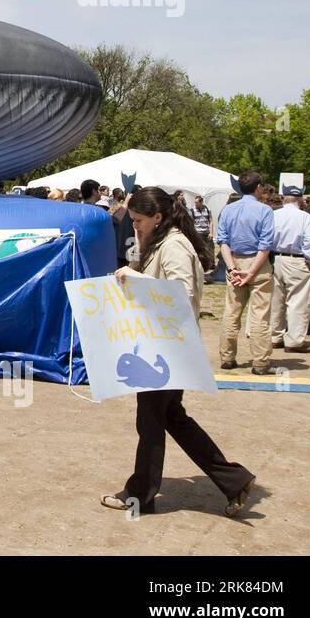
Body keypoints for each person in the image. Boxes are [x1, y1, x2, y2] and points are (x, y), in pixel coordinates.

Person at [102, 187, 258, 517]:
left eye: (139, 221)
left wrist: (134, 277)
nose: (135, 227)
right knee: (172, 418)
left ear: (158, 217)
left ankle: (140, 494)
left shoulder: (173, 245)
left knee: (150, 421)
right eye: (132, 221)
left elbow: (181, 295)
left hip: (167, 349)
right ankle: (234, 479)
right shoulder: (163, 241)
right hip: (168, 347)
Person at [215, 171, 275, 374]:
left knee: (231, 312)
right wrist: (251, 271)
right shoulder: (265, 210)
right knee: (260, 316)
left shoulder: (228, 210)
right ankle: (260, 362)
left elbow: (222, 241)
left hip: (234, 261)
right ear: (258, 188)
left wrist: (232, 267)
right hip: (258, 264)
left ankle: (227, 357)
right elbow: (265, 245)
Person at [268, 186, 310, 354]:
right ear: (300, 199)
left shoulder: (274, 215)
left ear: (284, 198)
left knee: (276, 300)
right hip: (296, 260)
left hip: (275, 258)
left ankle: (275, 336)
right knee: (298, 301)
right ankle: (295, 341)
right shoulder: (305, 217)